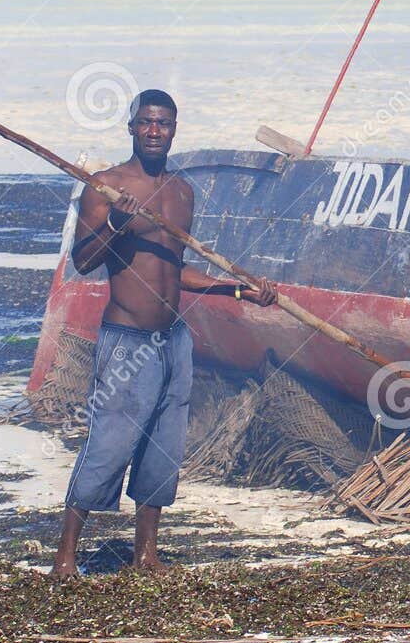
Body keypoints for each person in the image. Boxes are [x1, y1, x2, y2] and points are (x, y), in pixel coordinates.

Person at [50, 90, 278, 577]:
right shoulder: (106, 186)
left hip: (173, 340)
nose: (155, 132)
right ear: (131, 127)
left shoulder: (181, 192)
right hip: (127, 340)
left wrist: (238, 291)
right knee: (110, 443)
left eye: (165, 124)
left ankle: (146, 555)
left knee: (162, 446)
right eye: (147, 123)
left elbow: (176, 271)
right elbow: (85, 261)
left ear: (174, 130)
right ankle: (66, 557)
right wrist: (115, 222)